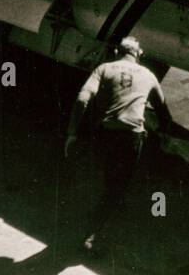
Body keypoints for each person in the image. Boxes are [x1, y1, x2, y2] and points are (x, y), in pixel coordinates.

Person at [65, 36, 173, 254]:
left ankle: (110, 203)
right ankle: (92, 236)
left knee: (110, 177)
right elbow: (164, 112)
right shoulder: (149, 76)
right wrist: (165, 135)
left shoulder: (104, 68)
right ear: (138, 55)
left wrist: (72, 133)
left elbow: (82, 98)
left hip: (105, 134)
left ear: (117, 52)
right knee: (118, 185)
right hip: (131, 137)